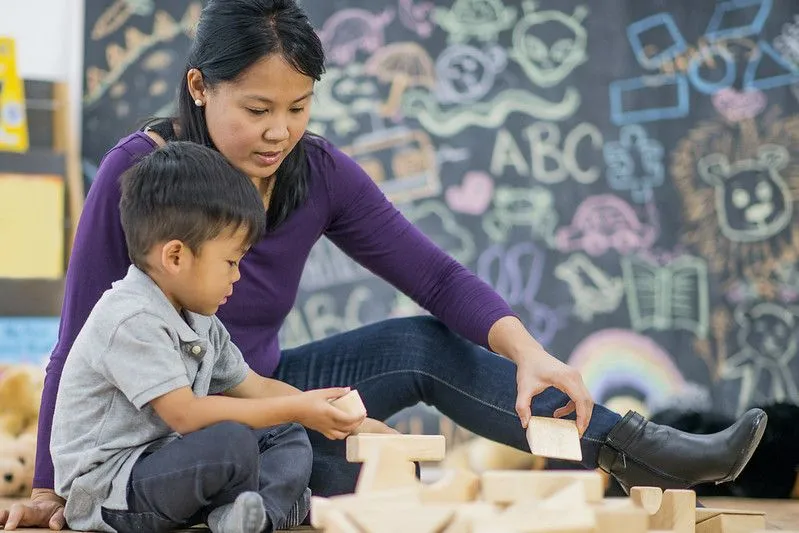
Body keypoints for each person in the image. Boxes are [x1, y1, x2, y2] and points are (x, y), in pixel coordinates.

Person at [0, 0, 767, 529]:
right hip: (164, 433)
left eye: (298, 108)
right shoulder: (139, 175)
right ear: (200, 88)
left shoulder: (319, 172)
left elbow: (435, 278)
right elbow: (73, 337)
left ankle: (635, 450)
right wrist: (45, 486)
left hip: (263, 402)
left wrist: (531, 353)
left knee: (418, 345)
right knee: (335, 487)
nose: (280, 132)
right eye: (257, 110)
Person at [49, 141, 374, 533]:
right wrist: (298, 408)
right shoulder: (130, 317)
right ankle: (264, 507)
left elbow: (255, 387)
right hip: (113, 492)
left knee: (284, 434)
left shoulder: (199, 319)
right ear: (175, 257)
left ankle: (252, 517)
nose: (236, 276)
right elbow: (185, 415)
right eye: (230, 262)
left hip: (171, 467)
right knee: (231, 443)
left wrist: (314, 405)